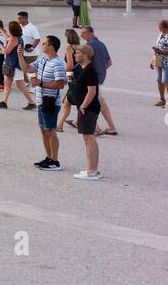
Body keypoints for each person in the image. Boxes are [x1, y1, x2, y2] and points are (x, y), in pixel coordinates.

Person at [29, 35, 68, 171]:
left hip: (51, 102)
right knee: (43, 130)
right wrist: (20, 55)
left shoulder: (57, 63)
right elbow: (28, 69)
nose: (42, 45)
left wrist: (40, 83)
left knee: (51, 130)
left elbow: (60, 84)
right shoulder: (44, 59)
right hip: (41, 100)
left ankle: (55, 161)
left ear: (51, 47)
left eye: (44, 43)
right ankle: (49, 157)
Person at [78, 25, 118, 135]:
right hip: (100, 78)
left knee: (94, 102)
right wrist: (101, 71)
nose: (81, 35)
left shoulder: (90, 46)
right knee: (99, 102)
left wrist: (91, 74)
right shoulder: (101, 44)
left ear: (90, 33)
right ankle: (109, 127)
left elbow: (85, 62)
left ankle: (98, 128)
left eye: (83, 33)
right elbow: (109, 62)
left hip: (92, 80)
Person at [70, 43, 102, 180]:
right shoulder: (84, 69)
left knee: (89, 138)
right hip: (85, 108)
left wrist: (83, 106)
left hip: (88, 108)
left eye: (77, 53)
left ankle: (92, 171)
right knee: (87, 138)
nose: (75, 55)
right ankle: (91, 169)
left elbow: (92, 91)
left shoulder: (89, 70)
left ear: (85, 55)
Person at [151, 19, 168, 109]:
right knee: (159, 80)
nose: (158, 27)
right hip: (159, 61)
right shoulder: (161, 35)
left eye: (159, 26)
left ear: (163, 27)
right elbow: (158, 48)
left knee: (166, 80)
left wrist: (161, 52)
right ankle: (162, 100)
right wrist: (153, 61)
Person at [17, 12, 41, 110]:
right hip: (22, 53)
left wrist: (32, 48)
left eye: (19, 18)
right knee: (23, 68)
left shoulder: (32, 28)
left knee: (31, 70)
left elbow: (37, 39)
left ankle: (34, 86)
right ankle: (28, 83)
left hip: (31, 53)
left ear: (25, 18)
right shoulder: (20, 27)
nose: (18, 20)